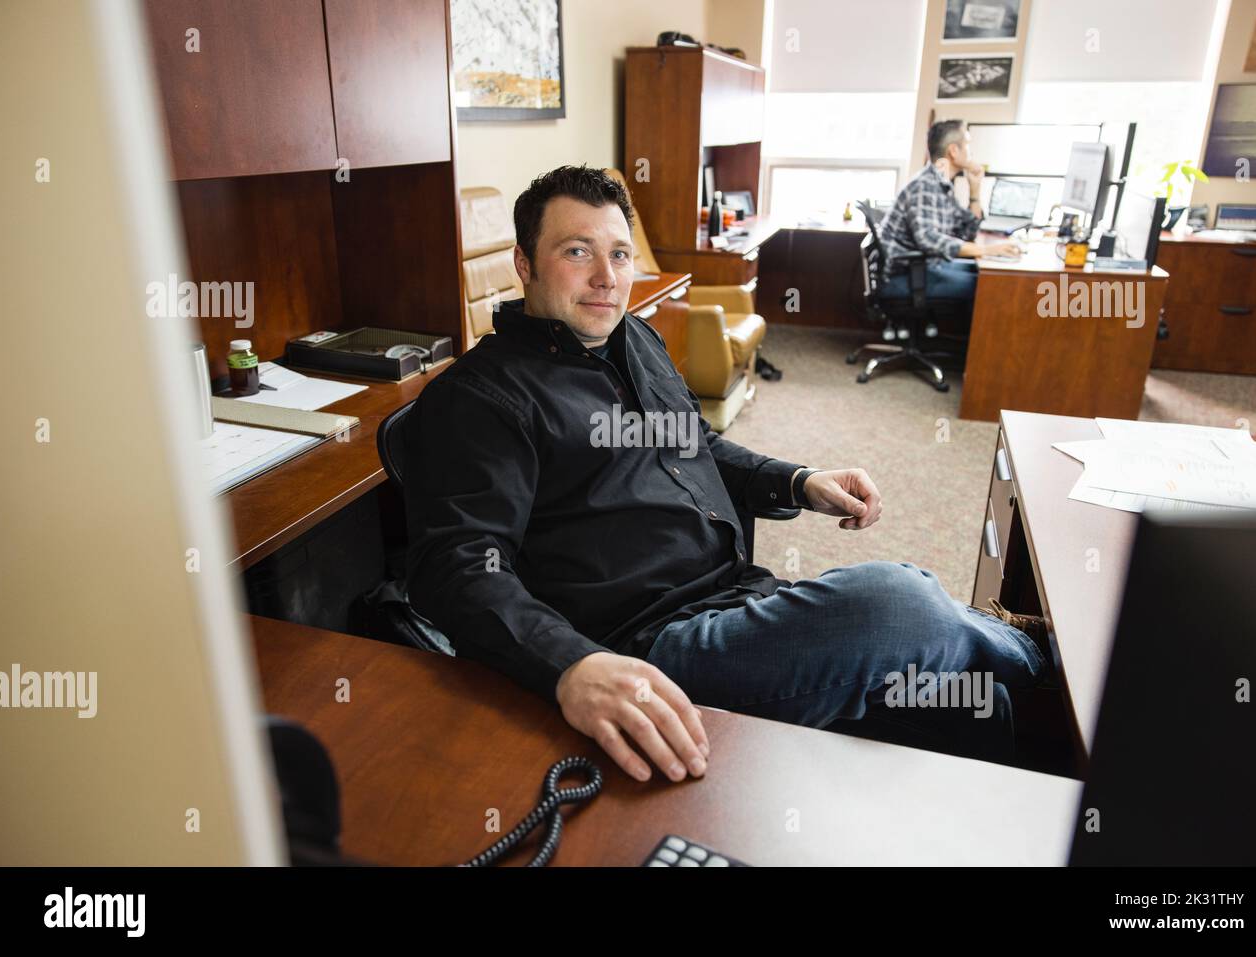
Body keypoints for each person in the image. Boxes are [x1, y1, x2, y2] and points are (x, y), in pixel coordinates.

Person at [403, 165, 1048, 784]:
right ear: (524, 263)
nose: (607, 277)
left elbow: (697, 443)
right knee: (898, 604)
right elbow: (457, 566)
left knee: (965, 704)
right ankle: (1054, 674)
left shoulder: (634, 340)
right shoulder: (480, 399)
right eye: (577, 252)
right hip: (650, 650)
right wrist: (572, 665)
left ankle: (1050, 728)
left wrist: (797, 481)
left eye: (620, 255)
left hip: (740, 596)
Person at [878, 119, 1021, 302]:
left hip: (927, 267)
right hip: (908, 275)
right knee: (990, 286)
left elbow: (967, 232)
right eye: (968, 144)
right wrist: (987, 249)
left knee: (988, 278)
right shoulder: (925, 185)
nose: (972, 151)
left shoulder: (942, 185)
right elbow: (928, 239)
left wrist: (975, 191)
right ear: (953, 151)